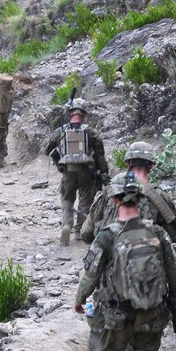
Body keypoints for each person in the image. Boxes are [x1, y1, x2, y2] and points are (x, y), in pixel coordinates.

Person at [74, 173, 176, 351]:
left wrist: (79, 299)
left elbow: (90, 275)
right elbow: (174, 274)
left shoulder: (107, 236)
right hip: (152, 310)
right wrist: (173, 302)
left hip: (117, 315)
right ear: (140, 199)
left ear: (115, 201)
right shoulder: (157, 233)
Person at [81, 141, 176, 244]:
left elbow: (86, 234)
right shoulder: (158, 196)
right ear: (151, 165)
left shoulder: (110, 190)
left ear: (128, 164)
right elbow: (174, 236)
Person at [45, 98, 109, 246]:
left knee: (67, 198)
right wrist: (104, 172)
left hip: (67, 171)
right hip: (86, 171)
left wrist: (59, 160)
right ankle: (79, 231)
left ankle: (66, 225)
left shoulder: (60, 131)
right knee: (85, 199)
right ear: (84, 114)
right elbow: (100, 155)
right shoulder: (91, 132)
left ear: (70, 113)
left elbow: (48, 149)